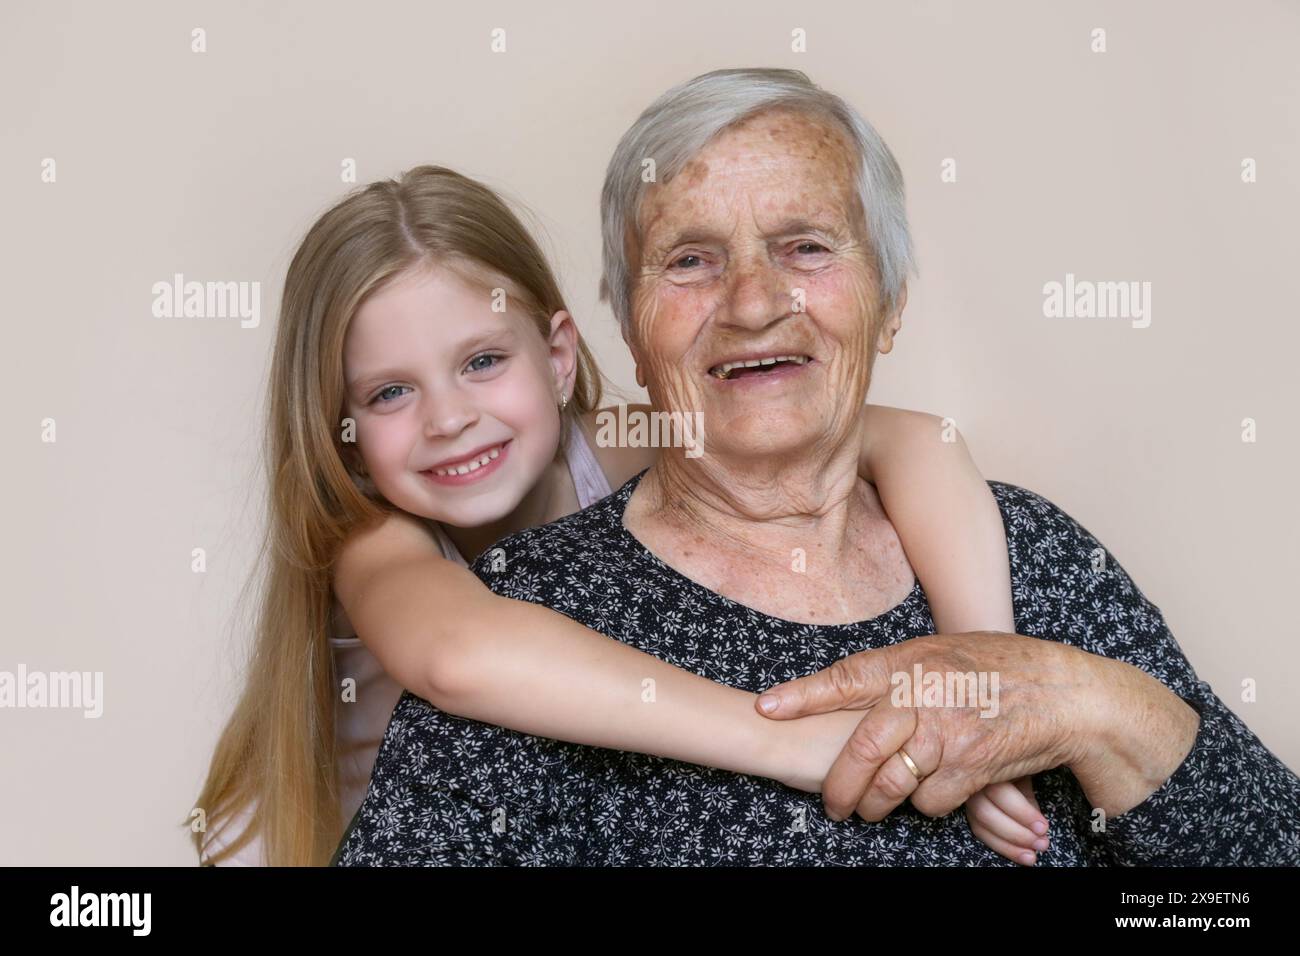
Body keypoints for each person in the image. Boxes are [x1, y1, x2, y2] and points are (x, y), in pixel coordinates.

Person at [334, 67, 1300, 866]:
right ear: (625, 330)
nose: (754, 303)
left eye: (805, 247)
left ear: (888, 301)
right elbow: (453, 655)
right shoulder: (527, 622)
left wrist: (1101, 708)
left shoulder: (1030, 557)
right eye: (690, 262)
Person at [193, 162, 1040, 867]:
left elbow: (916, 442)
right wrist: (786, 742)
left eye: (483, 361)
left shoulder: (624, 446)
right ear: (340, 432)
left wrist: (988, 702)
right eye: (390, 393)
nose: (448, 418)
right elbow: (460, 656)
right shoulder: (371, 536)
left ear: (559, 357)